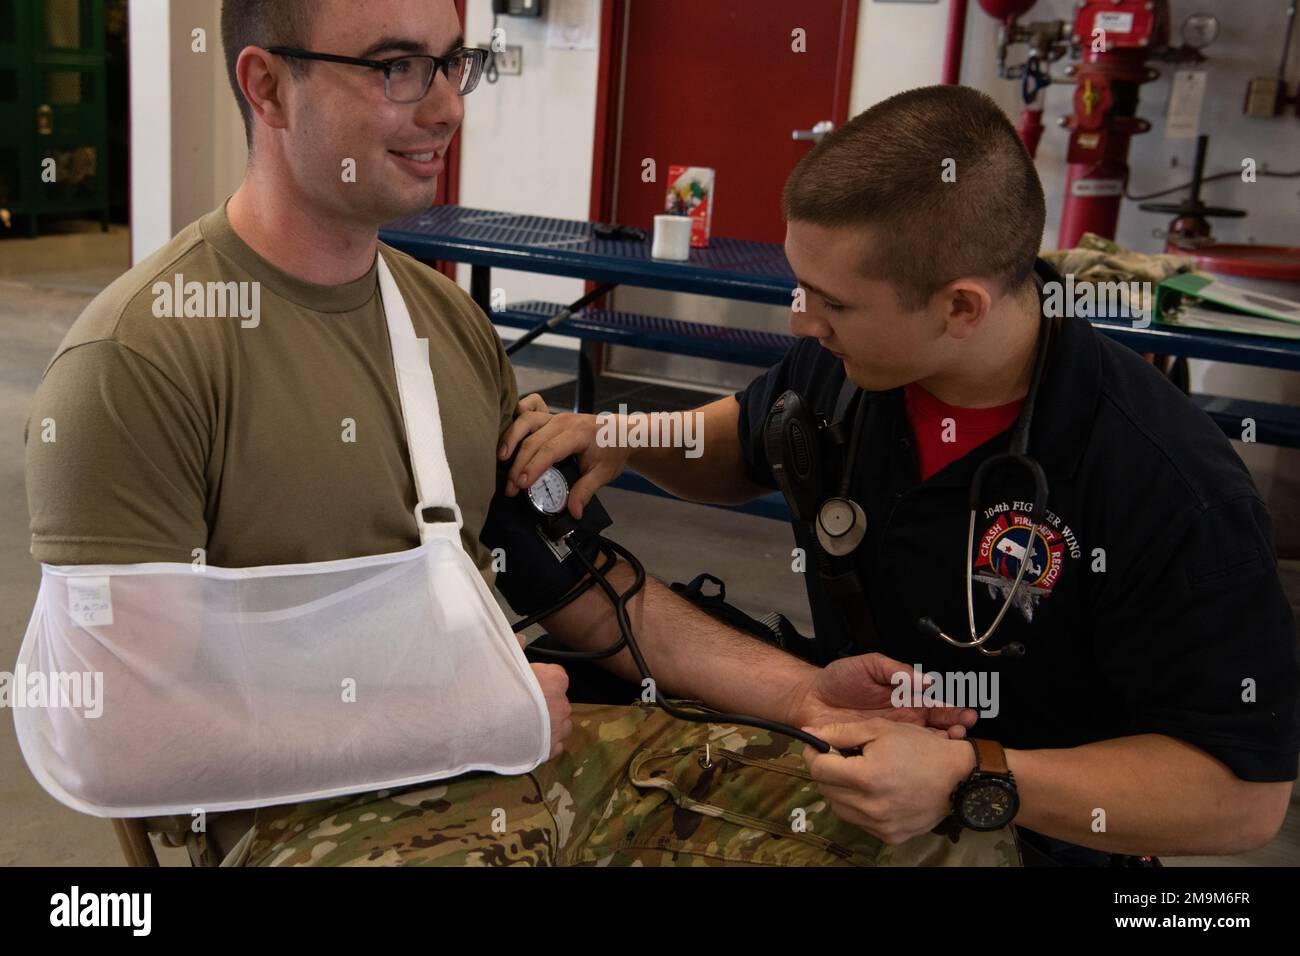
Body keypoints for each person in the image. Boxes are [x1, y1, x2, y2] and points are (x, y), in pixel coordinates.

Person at [22, 0, 1011, 867]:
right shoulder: (141, 363)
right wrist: (468, 717)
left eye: (457, 62)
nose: (447, 105)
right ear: (268, 85)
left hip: (516, 748)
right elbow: (123, 739)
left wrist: (807, 696)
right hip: (297, 808)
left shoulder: (445, 325)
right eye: (396, 67)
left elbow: (576, 585)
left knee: (931, 833)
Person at [504, 85, 1300, 865]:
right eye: (801, 288)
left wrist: (976, 774)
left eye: (832, 304)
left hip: (1034, 827)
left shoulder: (1169, 485)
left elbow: (1239, 799)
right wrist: (633, 433)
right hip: (846, 762)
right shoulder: (851, 366)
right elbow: (748, 441)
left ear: (960, 308)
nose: (801, 322)